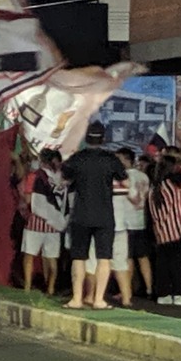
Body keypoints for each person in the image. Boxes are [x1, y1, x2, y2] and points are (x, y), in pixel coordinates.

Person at [62, 122, 125, 310]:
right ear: (103, 139)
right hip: (105, 215)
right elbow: (123, 178)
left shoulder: (77, 158)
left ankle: (76, 298)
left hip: (80, 214)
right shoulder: (110, 159)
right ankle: (99, 300)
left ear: (86, 137)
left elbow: (65, 177)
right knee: (104, 257)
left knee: (78, 257)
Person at [147, 150, 181, 306]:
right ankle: (179, 293)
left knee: (163, 263)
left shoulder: (154, 187)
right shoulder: (171, 185)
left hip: (162, 231)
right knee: (178, 264)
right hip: (176, 229)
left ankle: (163, 293)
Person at [18, 147, 67, 295]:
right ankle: (50, 288)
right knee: (51, 258)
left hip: (36, 222)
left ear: (40, 160)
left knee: (29, 255)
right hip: (55, 224)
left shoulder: (35, 176)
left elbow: (28, 199)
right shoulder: (60, 177)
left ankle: (27, 287)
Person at [114, 148, 152, 302]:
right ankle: (149, 288)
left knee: (127, 257)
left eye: (118, 158)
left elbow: (130, 196)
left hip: (127, 220)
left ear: (125, 158)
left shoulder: (124, 176)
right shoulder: (144, 176)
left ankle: (126, 291)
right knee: (143, 257)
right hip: (140, 220)